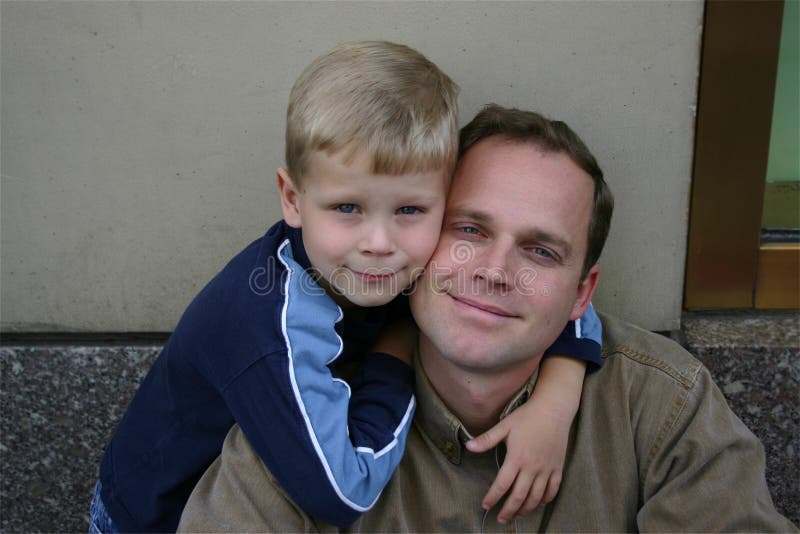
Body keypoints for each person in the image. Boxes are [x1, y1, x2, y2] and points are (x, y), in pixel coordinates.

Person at [177, 104, 797, 532]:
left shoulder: (663, 407)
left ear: (582, 294)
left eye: (540, 249)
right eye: (468, 229)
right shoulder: (310, 398)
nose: (496, 270)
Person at [89, 44, 602, 532]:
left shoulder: (405, 258)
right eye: (347, 208)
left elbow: (551, 294)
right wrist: (395, 352)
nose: (378, 243)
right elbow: (340, 490)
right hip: (156, 513)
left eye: (409, 210)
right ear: (293, 199)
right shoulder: (269, 322)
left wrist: (556, 403)